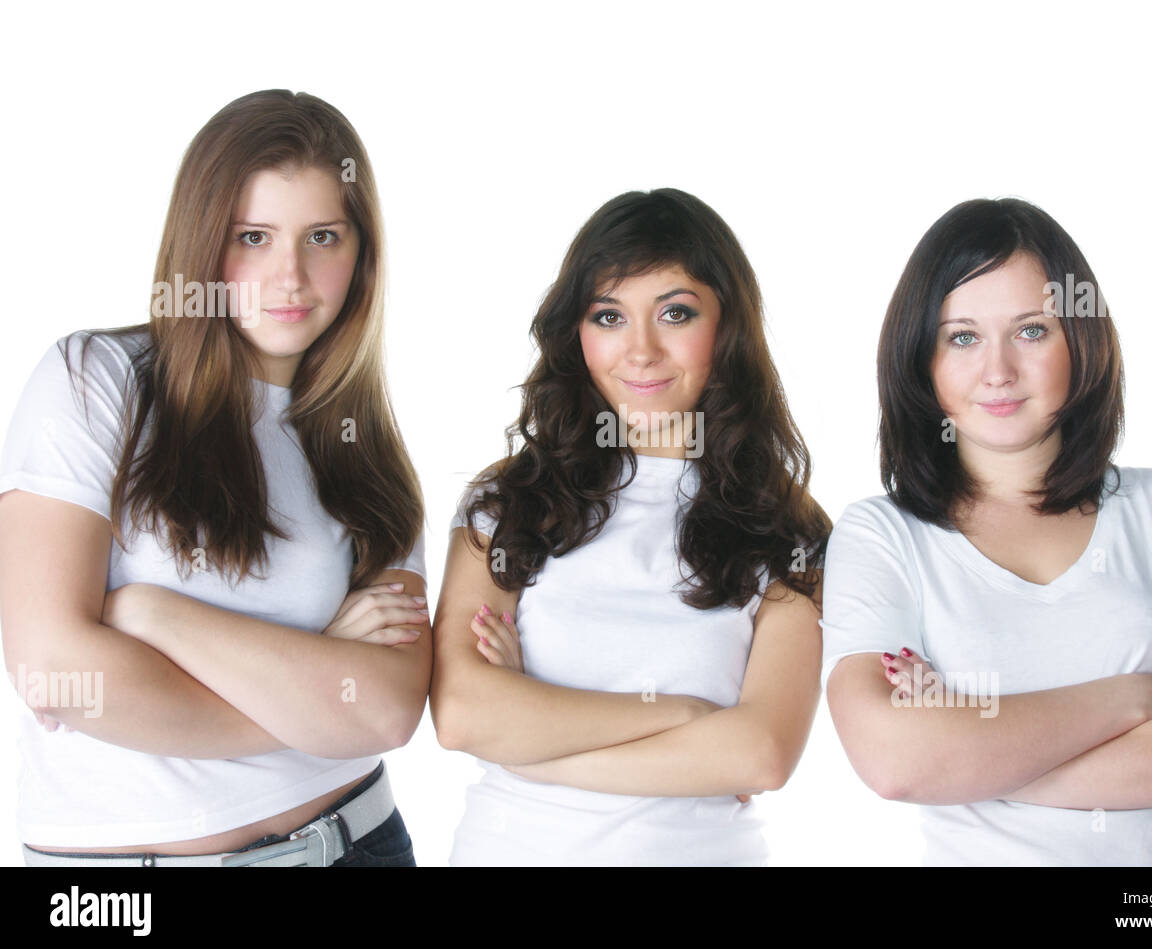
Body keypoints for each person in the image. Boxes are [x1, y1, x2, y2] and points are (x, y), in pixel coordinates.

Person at [0, 89, 431, 867]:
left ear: (362, 252)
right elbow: (55, 673)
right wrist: (316, 688)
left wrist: (153, 615)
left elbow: (390, 709)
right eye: (253, 237)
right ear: (201, 241)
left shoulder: (362, 444)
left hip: (356, 843)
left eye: (323, 237)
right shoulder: (96, 382)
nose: (290, 276)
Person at [822, 197, 1152, 865]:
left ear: (1081, 339)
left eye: (1032, 330)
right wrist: (1138, 698)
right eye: (962, 337)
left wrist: (975, 763)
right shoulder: (881, 536)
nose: (998, 371)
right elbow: (897, 763)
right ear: (920, 360)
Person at [431, 188, 830, 865]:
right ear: (576, 333)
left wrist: (535, 738)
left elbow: (760, 755)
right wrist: (684, 718)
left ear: (727, 326)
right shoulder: (511, 502)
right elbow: (464, 716)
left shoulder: (785, 527)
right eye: (609, 316)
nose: (640, 351)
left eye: (675, 313)